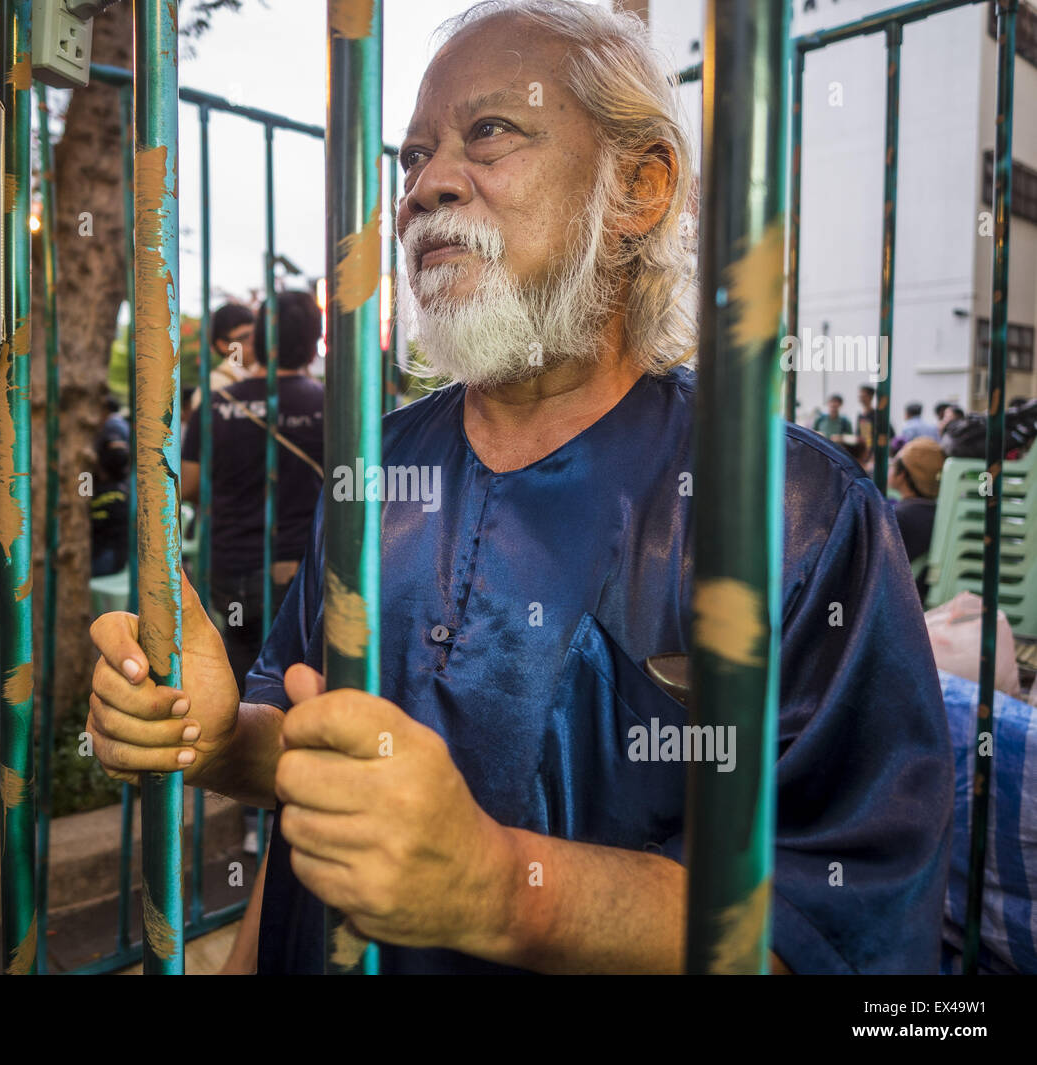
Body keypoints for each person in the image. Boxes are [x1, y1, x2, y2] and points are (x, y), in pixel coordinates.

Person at [88, 0, 951, 975]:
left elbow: (845, 929)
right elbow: (307, 764)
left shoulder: (797, 513)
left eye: (489, 132)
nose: (424, 187)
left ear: (640, 184)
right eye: (412, 156)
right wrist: (213, 742)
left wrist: (504, 890)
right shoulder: (373, 470)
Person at [181, 290, 325, 694]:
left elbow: (188, 487)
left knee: (240, 667)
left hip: (226, 567)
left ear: (259, 340)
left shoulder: (215, 404)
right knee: (297, 679)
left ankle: (239, 739)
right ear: (315, 342)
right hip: (297, 572)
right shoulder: (329, 405)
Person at [888, 437, 945, 603]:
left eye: (893, 464)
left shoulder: (899, 517)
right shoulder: (937, 512)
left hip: (899, 602)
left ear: (903, 474)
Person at [188, 302, 258, 412]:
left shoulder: (273, 372)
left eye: (256, 334)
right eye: (244, 337)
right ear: (223, 345)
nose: (254, 342)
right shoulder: (212, 386)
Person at [90, 436, 130, 578]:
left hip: (107, 559)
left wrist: (84, 471)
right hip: (117, 558)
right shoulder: (124, 488)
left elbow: (81, 497)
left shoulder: (94, 490)